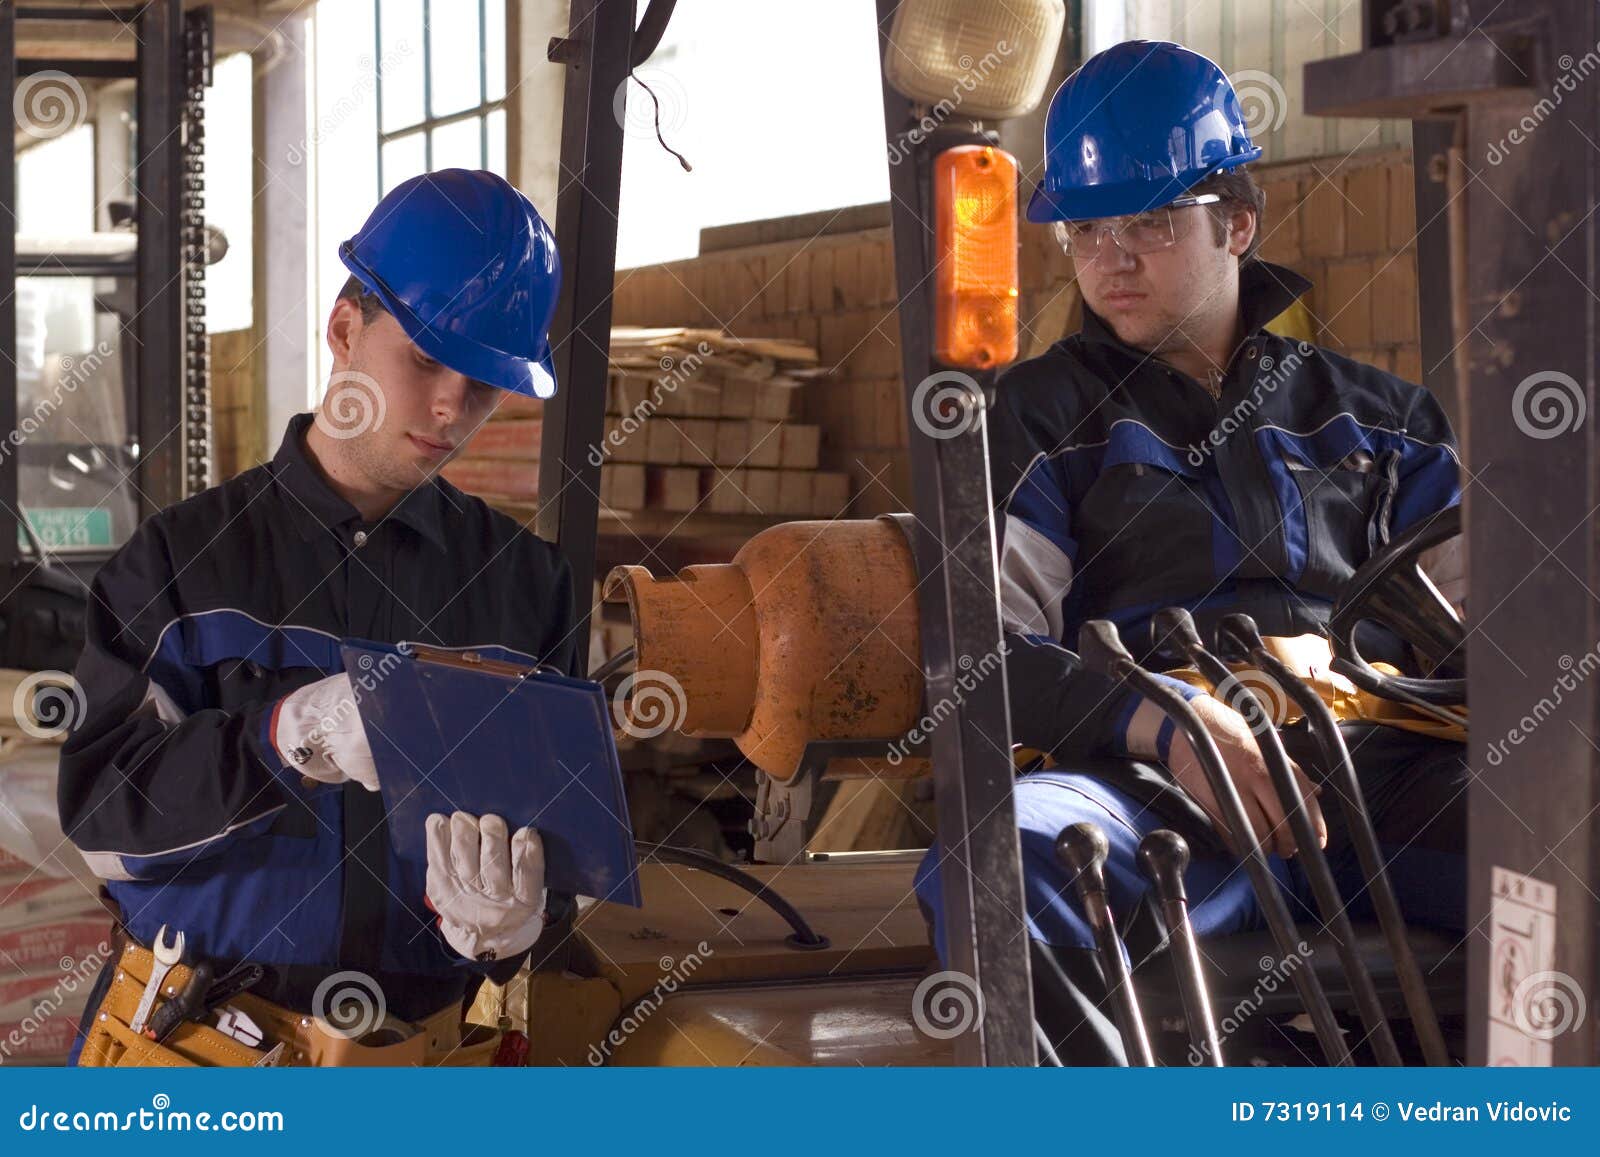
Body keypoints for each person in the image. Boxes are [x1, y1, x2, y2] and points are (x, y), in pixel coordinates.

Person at [914, 41, 1465, 1064]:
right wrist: (1159, 719)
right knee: (999, 859)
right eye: (1087, 231)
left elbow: (1498, 632)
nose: (1111, 259)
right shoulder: (1031, 420)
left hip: (1376, 768)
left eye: (1151, 223)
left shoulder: (1386, 418)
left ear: (1237, 225)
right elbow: (977, 650)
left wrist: (1365, 671)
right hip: (1152, 785)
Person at [59, 168, 573, 1066]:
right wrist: (283, 736)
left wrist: (517, 921)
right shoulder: (179, 564)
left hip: (423, 1064)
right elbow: (104, 818)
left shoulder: (525, 587)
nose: (452, 408)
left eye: (484, 383)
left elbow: (568, 841)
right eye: (424, 360)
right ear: (345, 329)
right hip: (195, 1057)